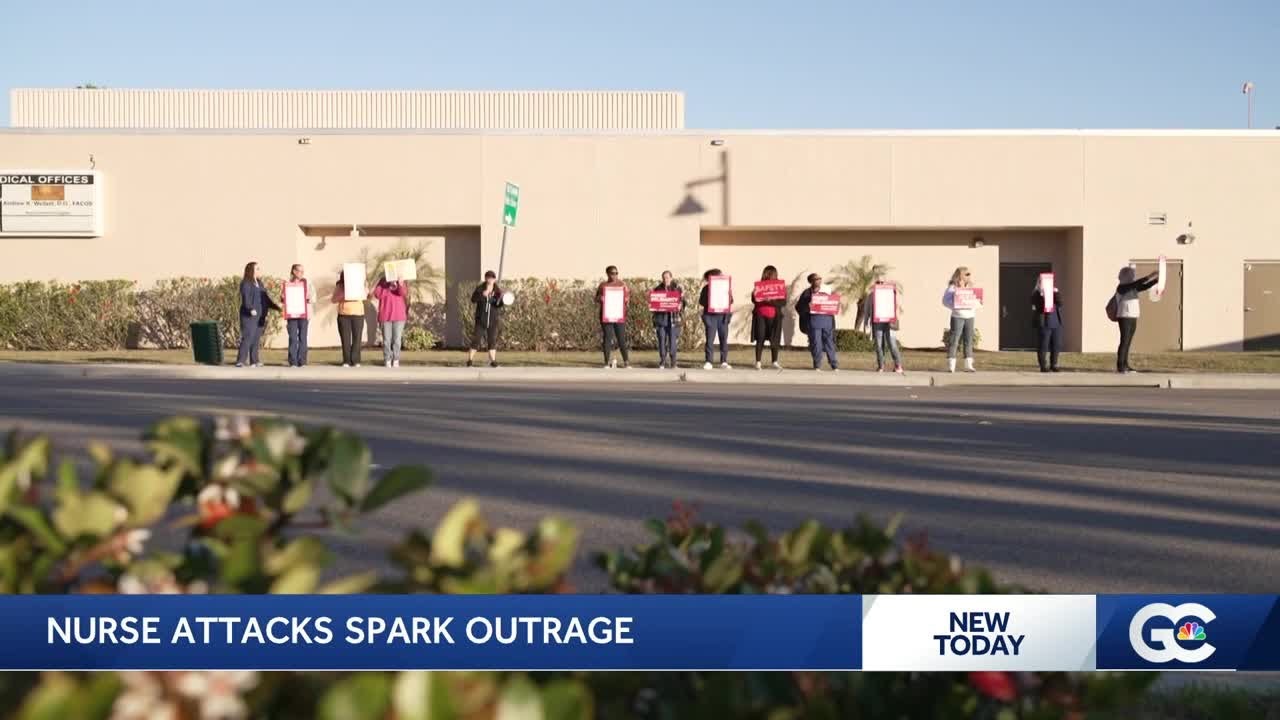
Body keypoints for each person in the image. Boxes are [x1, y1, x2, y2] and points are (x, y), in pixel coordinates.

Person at [1113, 266, 1159, 374]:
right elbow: (1136, 284)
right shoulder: (1122, 287)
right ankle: (1120, 366)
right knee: (1124, 340)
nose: (1132, 276)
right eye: (1130, 274)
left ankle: (1126, 365)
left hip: (1133, 315)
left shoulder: (1132, 287)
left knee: (1128, 341)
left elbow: (1144, 286)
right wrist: (1150, 276)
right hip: (1124, 316)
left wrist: (1157, 280)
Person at [236, 261, 278, 367]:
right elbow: (246, 298)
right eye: (257, 269)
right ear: (251, 270)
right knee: (248, 336)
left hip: (260, 315)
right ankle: (240, 360)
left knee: (256, 337)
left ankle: (254, 360)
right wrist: (250, 309)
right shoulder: (246, 283)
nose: (260, 271)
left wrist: (276, 307)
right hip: (249, 315)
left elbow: (265, 298)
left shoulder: (259, 283)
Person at [795, 272, 839, 371]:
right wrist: (807, 306)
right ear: (811, 281)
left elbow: (833, 303)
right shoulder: (807, 293)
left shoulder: (827, 291)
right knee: (816, 344)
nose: (819, 280)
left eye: (820, 278)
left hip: (827, 321)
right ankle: (817, 365)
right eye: (816, 279)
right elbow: (798, 307)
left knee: (829, 343)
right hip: (814, 322)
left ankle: (834, 365)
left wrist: (835, 302)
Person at [942, 266, 979, 373]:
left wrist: (974, 305)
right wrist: (954, 305)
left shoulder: (971, 287)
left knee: (968, 340)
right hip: (957, 316)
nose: (969, 276)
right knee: (954, 340)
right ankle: (951, 364)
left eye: (969, 274)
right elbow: (945, 301)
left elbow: (977, 300)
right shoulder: (952, 287)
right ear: (960, 275)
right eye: (966, 274)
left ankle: (968, 364)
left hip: (970, 316)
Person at [595, 265, 631, 368]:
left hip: (619, 315)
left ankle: (626, 362)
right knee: (607, 338)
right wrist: (600, 298)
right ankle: (606, 362)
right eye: (612, 273)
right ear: (607, 274)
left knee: (621, 339)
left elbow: (628, 297)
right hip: (607, 316)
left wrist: (627, 300)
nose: (614, 275)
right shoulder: (603, 285)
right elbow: (596, 298)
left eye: (616, 273)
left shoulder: (622, 284)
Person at [751, 265, 786, 370]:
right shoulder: (760, 286)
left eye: (774, 274)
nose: (772, 276)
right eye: (770, 274)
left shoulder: (780, 286)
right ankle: (758, 362)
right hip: (761, 315)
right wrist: (754, 295)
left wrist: (771, 300)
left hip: (775, 316)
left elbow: (783, 302)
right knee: (760, 337)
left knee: (774, 339)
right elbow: (754, 300)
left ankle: (774, 361)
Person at [371, 274, 410, 368]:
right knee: (386, 340)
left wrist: (399, 284)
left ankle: (396, 359)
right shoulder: (382, 282)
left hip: (399, 316)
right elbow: (377, 295)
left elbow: (403, 293)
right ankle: (387, 359)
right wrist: (388, 286)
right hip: (385, 315)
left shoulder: (401, 281)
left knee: (397, 339)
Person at [698, 268, 733, 370]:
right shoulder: (706, 288)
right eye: (719, 275)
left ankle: (724, 361)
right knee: (710, 339)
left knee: (723, 339)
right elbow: (701, 302)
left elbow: (731, 301)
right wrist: (710, 296)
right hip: (710, 316)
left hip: (722, 316)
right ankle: (709, 361)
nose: (721, 276)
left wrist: (729, 296)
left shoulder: (725, 287)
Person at [468, 270, 503, 368]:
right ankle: (470, 361)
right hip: (481, 319)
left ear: (494, 279)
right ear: (485, 278)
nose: (490, 279)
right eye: (488, 277)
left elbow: (499, 304)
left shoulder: (497, 291)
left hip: (492, 320)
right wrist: (482, 295)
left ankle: (493, 361)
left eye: (492, 278)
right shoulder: (480, 289)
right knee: (476, 340)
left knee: (492, 341)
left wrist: (501, 300)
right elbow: (473, 299)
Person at [281, 263, 314, 368]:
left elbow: (313, 297)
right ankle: (293, 361)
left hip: (303, 314)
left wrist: (309, 297)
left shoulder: (307, 283)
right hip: (292, 314)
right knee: (293, 338)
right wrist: (283, 296)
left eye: (303, 271)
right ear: (294, 271)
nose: (301, 273)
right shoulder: (287, 284)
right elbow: (282, 298)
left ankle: (302, 361)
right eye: (300, 271)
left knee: (303, 338)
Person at [651, 270, 685, 369]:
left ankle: (673, 362)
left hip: (673, 319)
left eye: (667, 277)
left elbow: (683, 302)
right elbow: (655, 304)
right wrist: (653, 305)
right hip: (661, 319)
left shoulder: (677, 288)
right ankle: (662, 361)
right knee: (662, 340)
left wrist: (680, 305)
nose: (665, 279)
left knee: (672, 342)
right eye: (664, 278)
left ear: (671, 278)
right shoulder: (657, 289)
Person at [332, 273, 365, 367]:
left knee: (357, 338)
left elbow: (367, 295)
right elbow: (333, 299)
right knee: (345, 339)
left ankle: (356, 360)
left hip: (358, 314)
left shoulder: (360, 284)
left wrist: (363, 286)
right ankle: (346, 360)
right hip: (344, 315)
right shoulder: (340, 286)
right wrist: (344, 293)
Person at [871, 282, 904, 374]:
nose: (880, 284)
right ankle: (881, 366)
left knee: (892, 343)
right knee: (878, 344)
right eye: (878, 282)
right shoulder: (873, 293)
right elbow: (869, 307)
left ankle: (898, 365)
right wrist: (867, 321)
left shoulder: (892, 292)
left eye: (882, 282)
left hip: (890, 322)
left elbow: (898, 306)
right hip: (878, 321)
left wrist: (896, 318)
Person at [1032, 279, 1064, 373]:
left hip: (1055, 322)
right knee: (1043, 345)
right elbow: (1037, 305)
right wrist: (1042, 294)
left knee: (1056, 344)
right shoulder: (1036, 293)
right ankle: (1043, 365)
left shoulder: (1053, 292)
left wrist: (1056, 292)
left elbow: (1060, 303)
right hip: (1044, 323)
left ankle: (1054, 364)